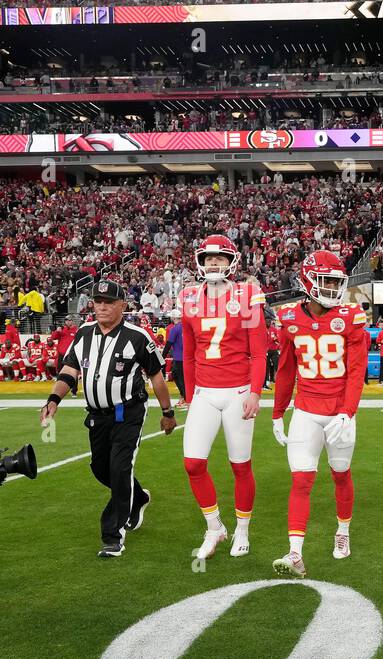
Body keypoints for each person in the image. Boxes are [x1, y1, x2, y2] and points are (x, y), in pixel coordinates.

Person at [38, 280, 177, 558]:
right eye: (98, 301)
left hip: (128, 412)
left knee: (119, 468)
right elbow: (70, 370)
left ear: (122, 306)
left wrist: (167, 413)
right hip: (97, 415)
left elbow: (157, 378)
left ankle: (113, 536)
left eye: (108, 302)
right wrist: (54, 399)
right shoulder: (84, 333)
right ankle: (138, 498)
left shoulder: (137, 336)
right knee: (100, 468)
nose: (101, 306)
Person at [269, 251, 369, 578]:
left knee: (340, 473)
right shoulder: (288, 317)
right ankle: (294, 551)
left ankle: (343, 531)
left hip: (339, 409)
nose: (330, 287)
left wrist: (348, 411)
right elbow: (285, 371)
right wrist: (277, 412)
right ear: (309, 279)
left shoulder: (351, 316)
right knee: (301, 479)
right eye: (325, 280)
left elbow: (356, 371)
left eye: (335, 282)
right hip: (307, 410)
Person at [180, 234, 268, 560]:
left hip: (238, 391)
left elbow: (259, 353)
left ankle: (242, 529)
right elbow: (188, 355)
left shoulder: (246, 294)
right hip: (204, 391)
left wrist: (256, 393)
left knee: (240, 466)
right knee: (193, 464)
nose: (212, 263)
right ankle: (215, 526)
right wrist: (190, 396)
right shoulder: (188, 297)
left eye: (218, 258)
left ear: (231, 262)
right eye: (207, 258)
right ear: (200, 262)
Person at [165, 314, 186, 409]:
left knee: (178, 378)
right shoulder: (185, 327)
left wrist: (162, 357)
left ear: (173, 318)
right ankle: (184, 397)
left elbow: (169, 343)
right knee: (183, 379)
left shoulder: (175, 329)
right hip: (187, 357)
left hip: (178, 358)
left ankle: (185, 398)